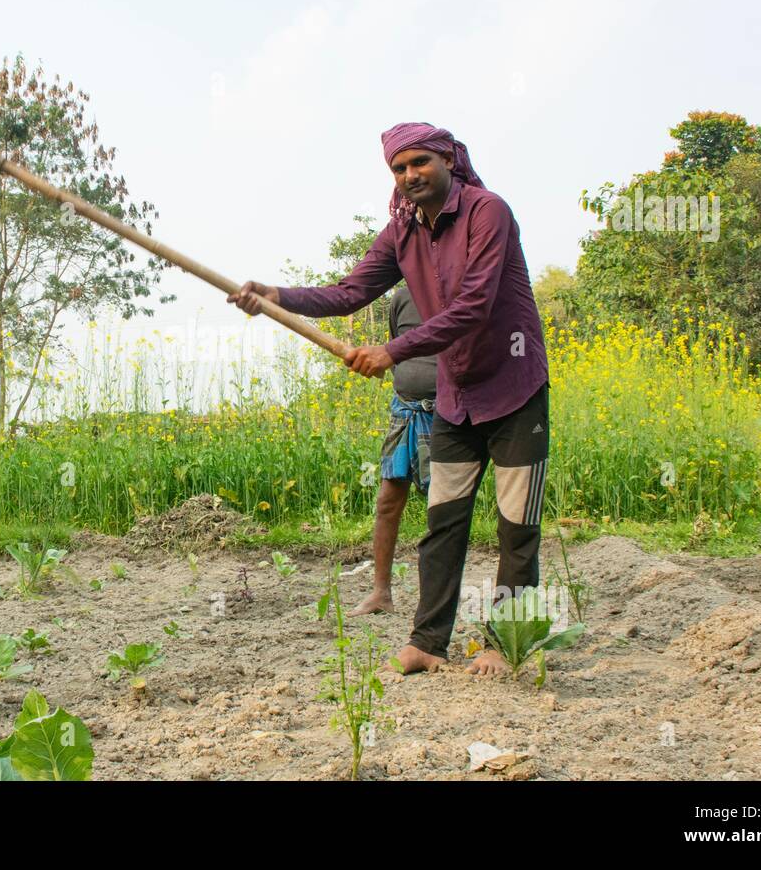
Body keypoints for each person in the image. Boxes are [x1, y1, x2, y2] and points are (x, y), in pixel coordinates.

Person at [227, 123, 549, 677]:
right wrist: (276, 296)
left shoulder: (487, 212)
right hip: (457, 397)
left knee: (516, 524)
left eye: (419, 163)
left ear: (448, 160)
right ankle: (428, 641)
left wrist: (392, 351)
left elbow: (473, 306)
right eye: (399, 169)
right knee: (443, 521)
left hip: (515, 388)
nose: (409, 176)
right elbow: (350, 292)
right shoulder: (401, 231)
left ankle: (507, 642)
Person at [346, 285, 438, 618]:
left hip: (444, 413)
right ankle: (380, 592)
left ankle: (435, 599)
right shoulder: (401, 298)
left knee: (442, 508)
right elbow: (396, 351)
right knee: (388, 499)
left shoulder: (460, 292)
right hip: (405, 411)